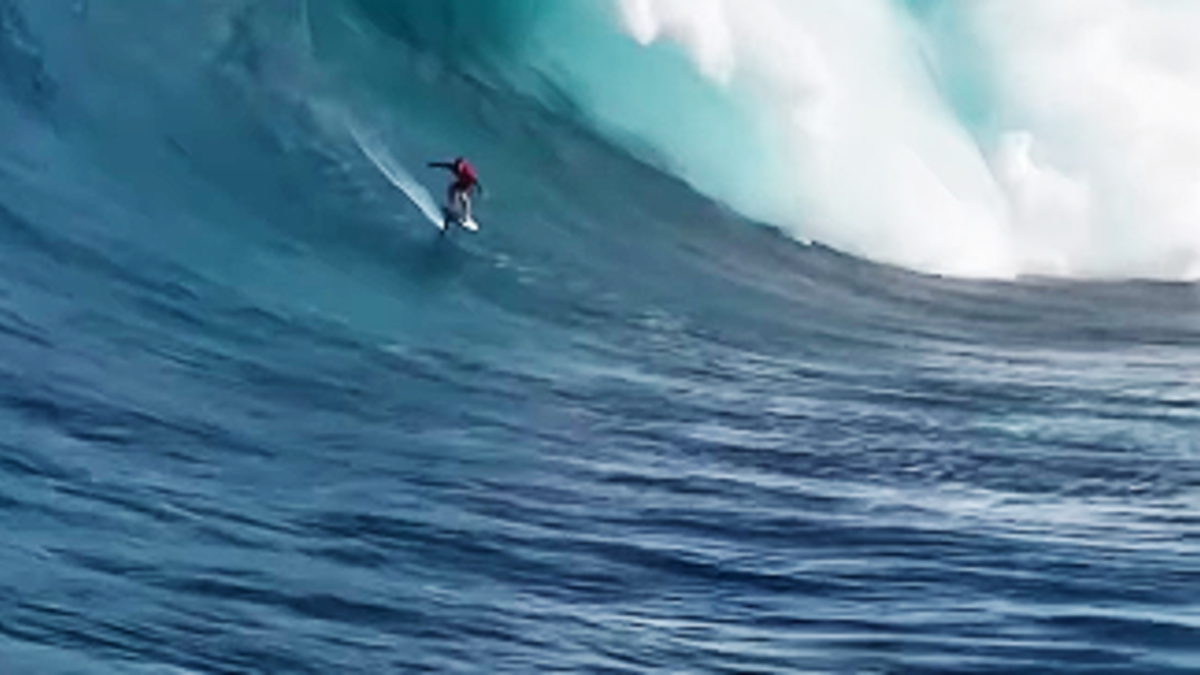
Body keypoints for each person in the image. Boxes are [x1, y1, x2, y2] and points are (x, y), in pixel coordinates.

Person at [428, 157, 483, 222]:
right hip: (461, 182)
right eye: (457, 169)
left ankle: (467, 217)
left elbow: (475, 181)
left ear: (462, 167)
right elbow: (443, 165)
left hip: (468, 185)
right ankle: (452, 209)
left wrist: (479, 189)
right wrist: (433, 165)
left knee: (463, 197)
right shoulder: (453, 167)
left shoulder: (468, 172)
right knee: (451, 190)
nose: (458, 170)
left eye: (459, 169)